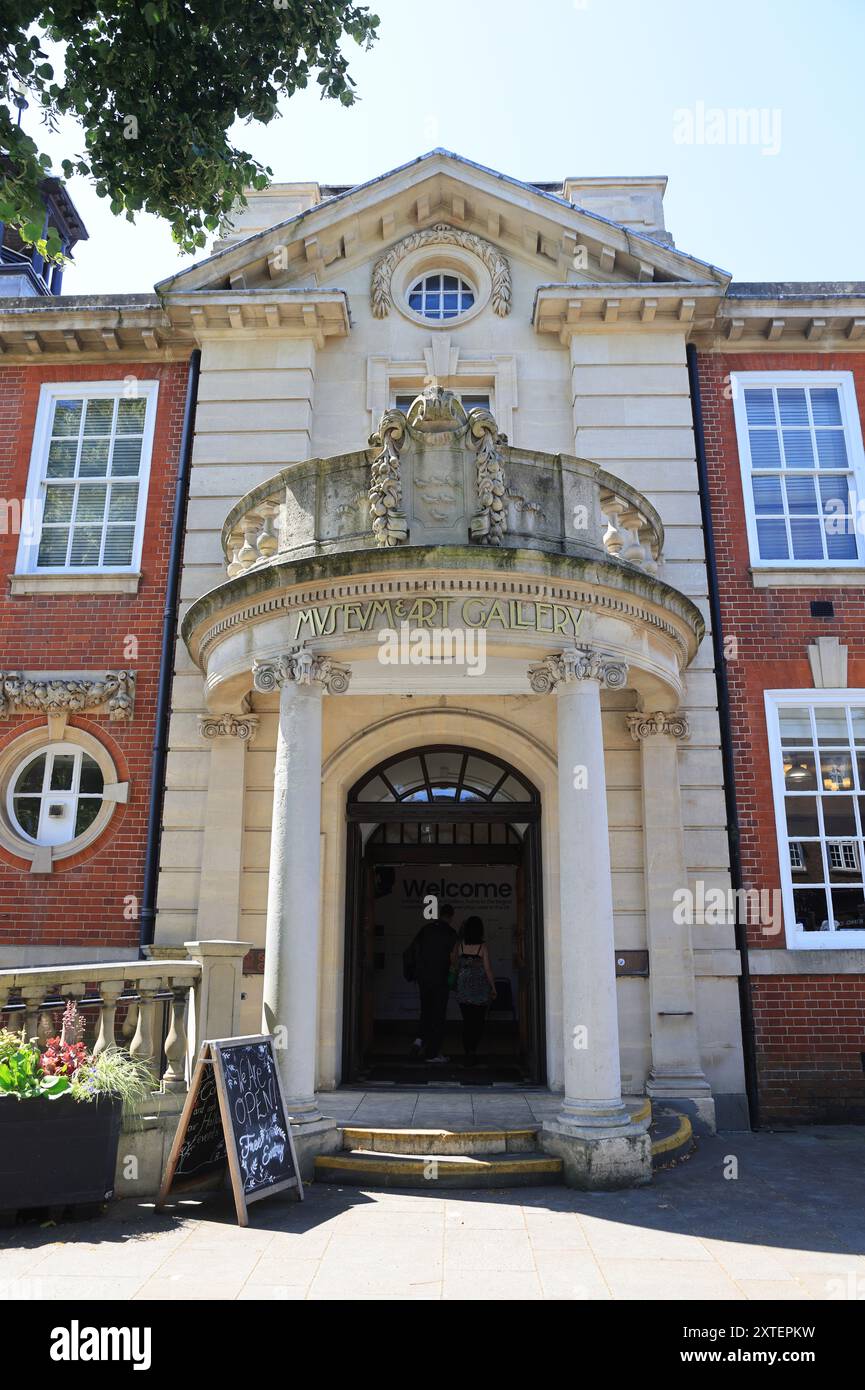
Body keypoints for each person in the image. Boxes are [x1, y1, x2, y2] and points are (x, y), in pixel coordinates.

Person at [407, 903, 457, 1062]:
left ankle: (419, 1040)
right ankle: (433, 1053)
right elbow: (453, 958)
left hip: (423, 978)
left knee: (426, 1011)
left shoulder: (425, 929)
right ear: (451, 916)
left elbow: (413, 949)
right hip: (440, 979)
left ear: (439, 914)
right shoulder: (451, 933)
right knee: (438, 1015)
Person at [452, 915, 497, 1060]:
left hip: (463, 988)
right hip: (480, 989)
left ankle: (468, 1051)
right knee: (478, 1022)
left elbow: (454, 966)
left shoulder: (460, 946)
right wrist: (493, 988)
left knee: (467, 1022)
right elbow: (488, 969)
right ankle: (473, 1049)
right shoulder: (482, 947)